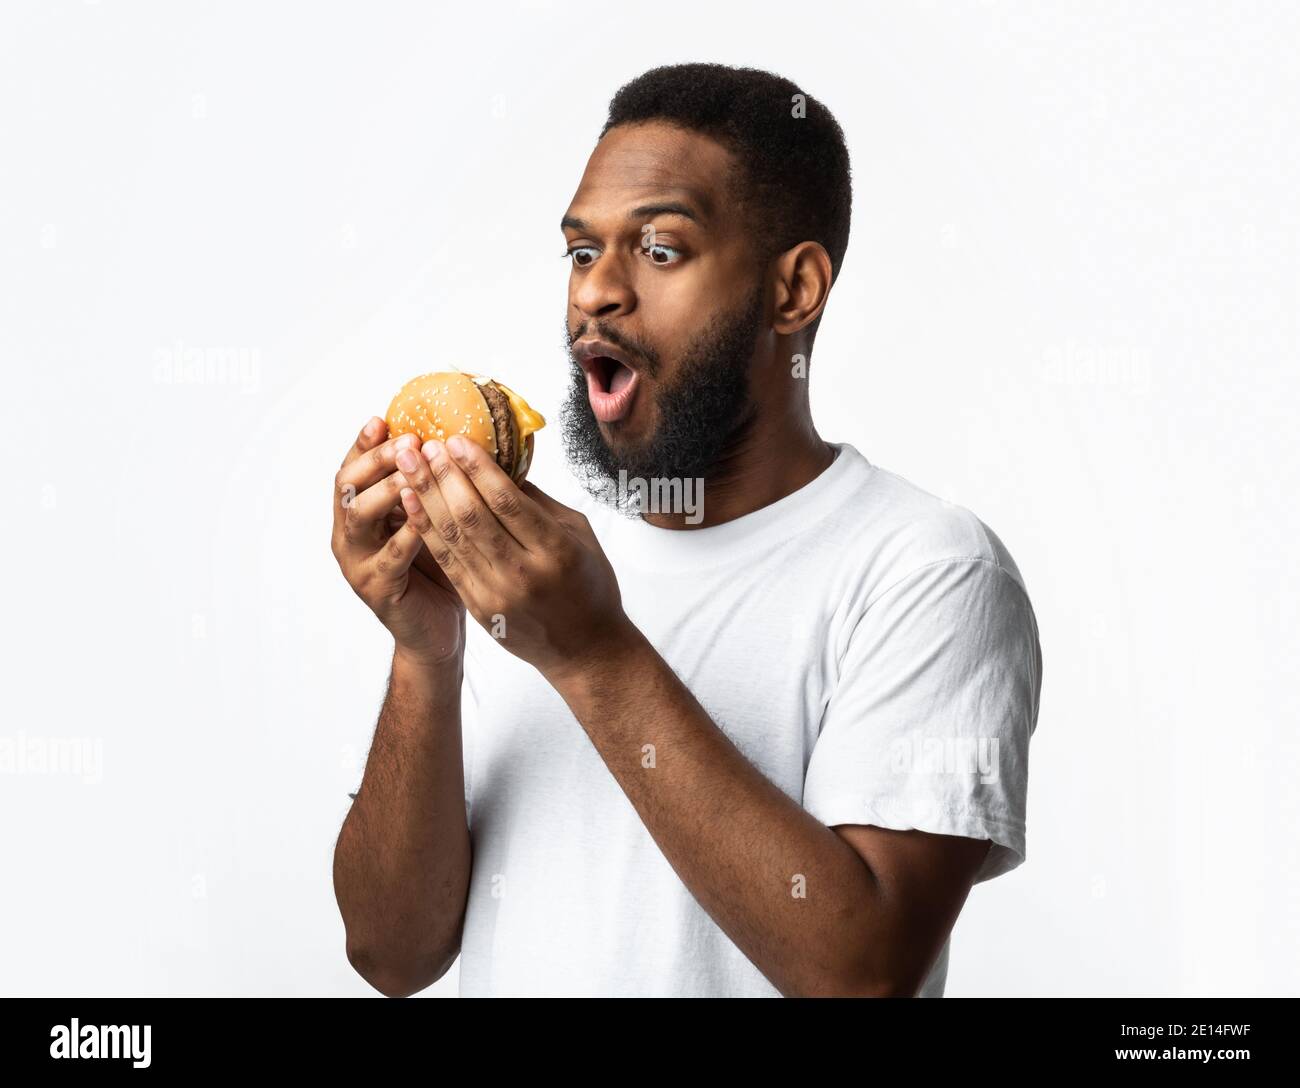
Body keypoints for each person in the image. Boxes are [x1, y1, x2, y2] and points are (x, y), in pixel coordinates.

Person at [331, 62, 1042, 998]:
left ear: (794, 290)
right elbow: (392, 955)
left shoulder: (927, 571)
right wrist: (427, 651)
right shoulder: (523, 563)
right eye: (581, 253)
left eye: (659, 250)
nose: (596, 294)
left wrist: (591, 654)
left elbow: (864, 975)